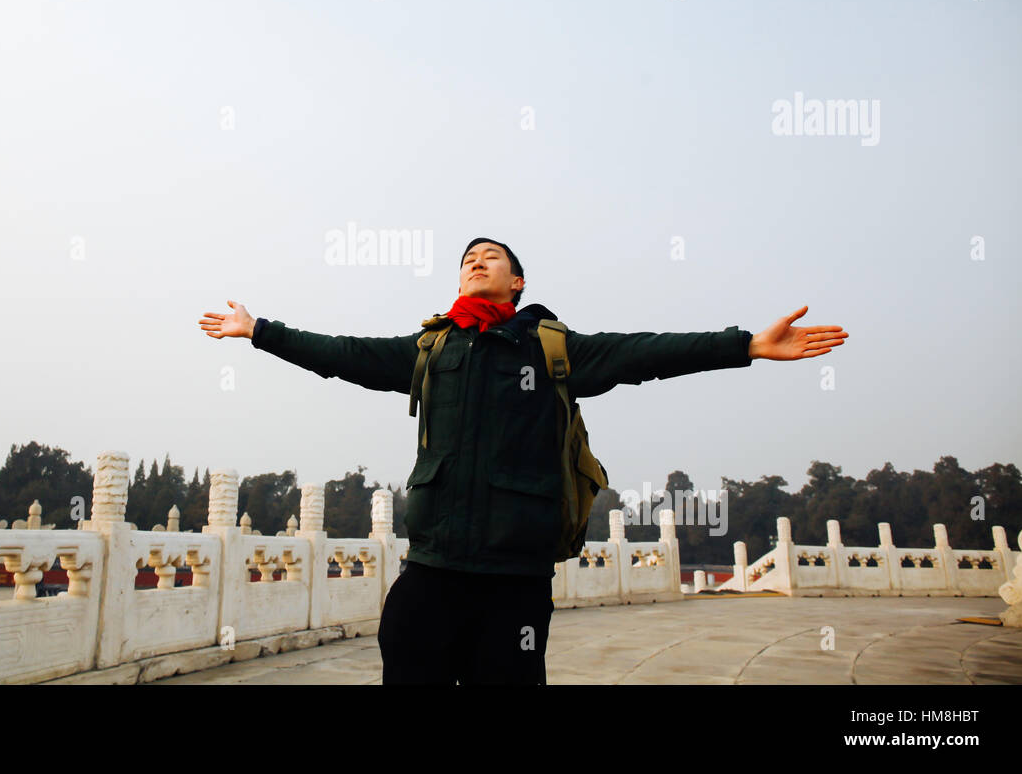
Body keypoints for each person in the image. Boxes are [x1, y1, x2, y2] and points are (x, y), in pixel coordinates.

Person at [198, 236, 849, 684]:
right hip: (430, 572)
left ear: (519, 281)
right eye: (468, 259)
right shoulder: (431, 350)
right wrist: (260, 331)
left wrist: (746, 346)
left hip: (514, 582)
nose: (477, 262)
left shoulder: (549, 348)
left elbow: (646, 353)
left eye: (492, 257)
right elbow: (343, 354)